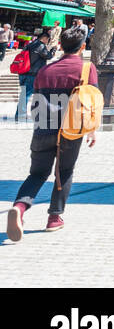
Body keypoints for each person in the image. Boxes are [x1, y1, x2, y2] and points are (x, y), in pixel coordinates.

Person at [7, 27, 98, 240]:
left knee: (37, 174)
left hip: (43, 129)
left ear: (60, 46)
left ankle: (20, 208)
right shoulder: (86, 69)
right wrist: (91, 129)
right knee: (64, 171)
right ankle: (54, 217)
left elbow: (35, 102)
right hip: (69, 130)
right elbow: (92, 101)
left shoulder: (45, 71)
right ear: (82, 47)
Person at [14, 28, 54, 123]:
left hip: (23, 72)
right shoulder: (40, 45)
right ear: (44, 38)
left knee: (24, 94)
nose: (47, 42)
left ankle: (19, 114)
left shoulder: (30, 44)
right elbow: (48, 56)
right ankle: (21, 115)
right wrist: (53, 50)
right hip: (32, 74)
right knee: (26, 94)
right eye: (47, 40)